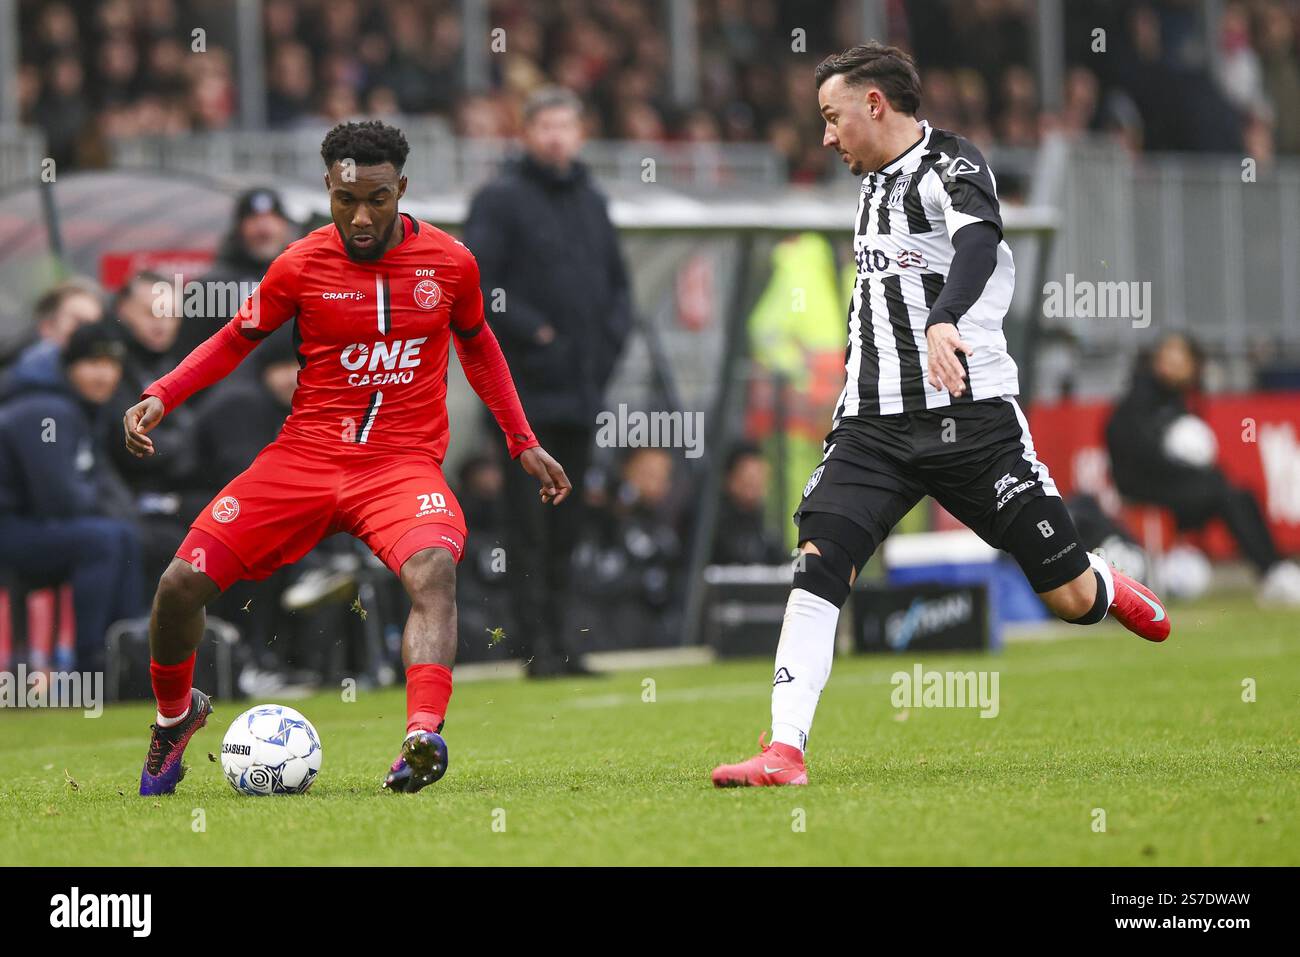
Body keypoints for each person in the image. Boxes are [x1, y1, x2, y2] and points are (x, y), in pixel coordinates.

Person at [711, 43, 1173, 788]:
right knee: (820, 561)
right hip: (872, 422)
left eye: (832, 118)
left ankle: (1103, 583)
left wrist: (943, 318)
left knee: (1064, 593)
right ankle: (785, 749)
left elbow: (978, 244)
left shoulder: (954, 163)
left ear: (875, 104)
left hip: (971, 415)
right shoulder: (868, 181)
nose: (826, 137)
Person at [122, 120, 572, 797]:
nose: (361, 216)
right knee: (179, 585)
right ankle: (174, 717)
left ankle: (422, 735)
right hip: (304, 457)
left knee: (433, 569)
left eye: (378, 199)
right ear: (329, 188)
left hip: (400, 464)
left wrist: (521, 438)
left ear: (403, 190)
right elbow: (234, 339)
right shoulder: (300, 264)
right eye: (345, 199)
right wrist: (163, 392)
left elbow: (479, 346)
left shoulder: (451, 263)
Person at [463, 86, 632, 678]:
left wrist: (604, 348)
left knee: (568, 525)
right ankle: (534, 645)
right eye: (546, 126)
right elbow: (476, 285)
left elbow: (618, 288)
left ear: (581, 133)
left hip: (581, 396)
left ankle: (566, 640)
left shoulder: (591, 199)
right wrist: (538, 336)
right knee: (527, 526)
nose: (557, 136)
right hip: (522, 402)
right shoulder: (500, 200)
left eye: (567, 125)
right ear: (526, 133)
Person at [1107, 333, 1300, 605]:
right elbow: (1129, 454)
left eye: (1179, 358)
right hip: (1149, 489)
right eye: (1166, 357)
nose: (1171, 365)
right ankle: (1272, 572)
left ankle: (1276, 569)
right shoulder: (1139, 398)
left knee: (1239, 493)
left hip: (1181, 487)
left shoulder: (1184, 399)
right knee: (1226, 493)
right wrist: (1173, 457)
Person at [0, 322, 143, 672]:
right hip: (12, 529)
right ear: (70, 366)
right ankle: (92, 662)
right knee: (102, 540)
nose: (104, 375)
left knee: (125, 534)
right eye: (93, 364)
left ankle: (129, 652)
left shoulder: (75, 407)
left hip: (33, 526)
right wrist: (108, 509)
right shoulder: (45, 411)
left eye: (112, 366)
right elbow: (60, 499)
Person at [172, 187, 300, 366]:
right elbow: (189, 354)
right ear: (239, 228)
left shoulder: (304, 278)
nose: (264, 228)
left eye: (272, 218)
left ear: (285, 226)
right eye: (254, 219)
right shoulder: (209, 287)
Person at [0, 277, 104, 401]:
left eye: (93, 326)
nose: (87, 333)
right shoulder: (30, 387)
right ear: (47, 326)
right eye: (78, 321)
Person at [711, 443, 789, 566]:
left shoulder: (766, 528)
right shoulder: (711, 527)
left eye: (761, 479)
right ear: (730, 479)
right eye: (749, 479)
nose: (756, 486)